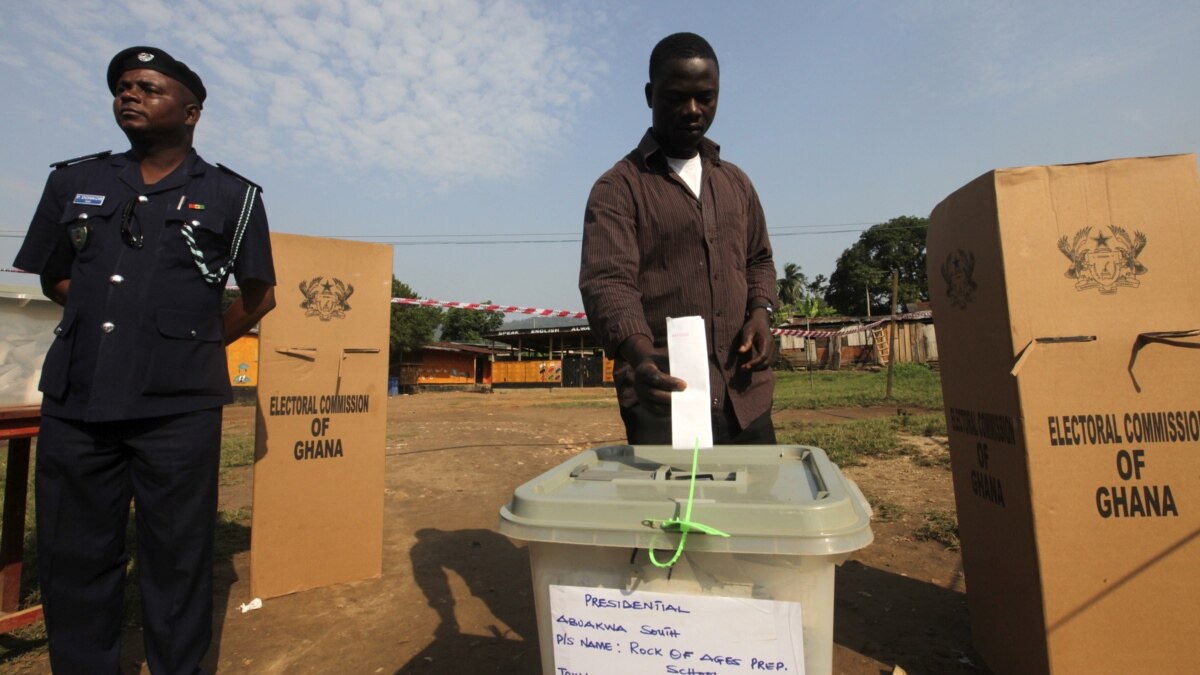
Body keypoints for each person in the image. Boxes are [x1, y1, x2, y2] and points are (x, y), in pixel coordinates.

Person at [13, 46, 276, 674]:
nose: (129, 94)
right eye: (123, 86)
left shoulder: (232, 196)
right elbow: (56, 277)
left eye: (148, 87)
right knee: (73, 556)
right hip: (79, 398)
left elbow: (259, 296)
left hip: (176, 408)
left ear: (191, 112)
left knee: (177, 558)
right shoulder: (73, 182)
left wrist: (193, 343)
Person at [579, 32, 779, 445]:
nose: (692, 110)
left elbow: (759, 260)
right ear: (650, 95)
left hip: (747, 396)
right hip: (665, 400)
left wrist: (760, 314)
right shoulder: (619, 188)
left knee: (754, 508)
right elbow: (608, 283)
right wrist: (639, 357)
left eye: (706, 97)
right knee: (675, 512)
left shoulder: (736, 183)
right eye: (675, 98)